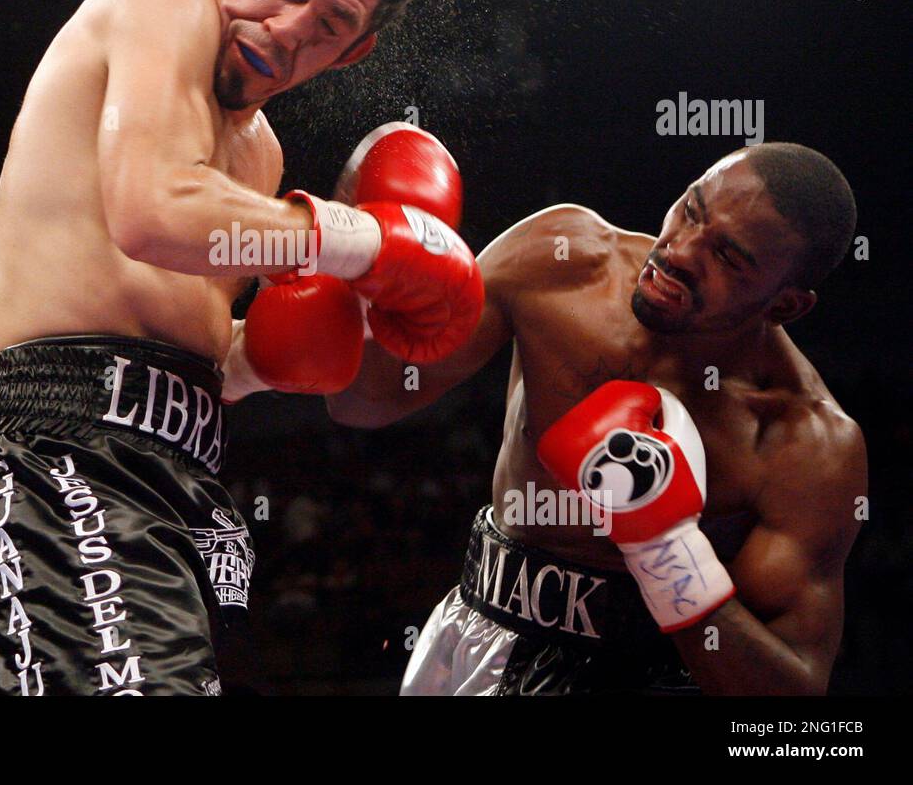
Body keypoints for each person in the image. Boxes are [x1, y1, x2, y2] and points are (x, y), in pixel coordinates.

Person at [0, 0, 485, 696]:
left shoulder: (259, 152)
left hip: (182, 477)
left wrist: (262, 357)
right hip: (65, 455)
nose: (289, 28)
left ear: (355, 51)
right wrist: (363, 243)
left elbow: (178, 317)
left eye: (331, 22)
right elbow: (152, 211)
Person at [328, 143, 867, 695]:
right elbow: (361, 404)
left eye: (728, 256)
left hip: (646, 677)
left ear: (785, 306)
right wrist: (370, 277)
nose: (680, 251)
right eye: (692, 209)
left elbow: (793, 696)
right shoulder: (561, 262)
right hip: (474, 632)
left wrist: (667, 556)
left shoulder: (804, 444)